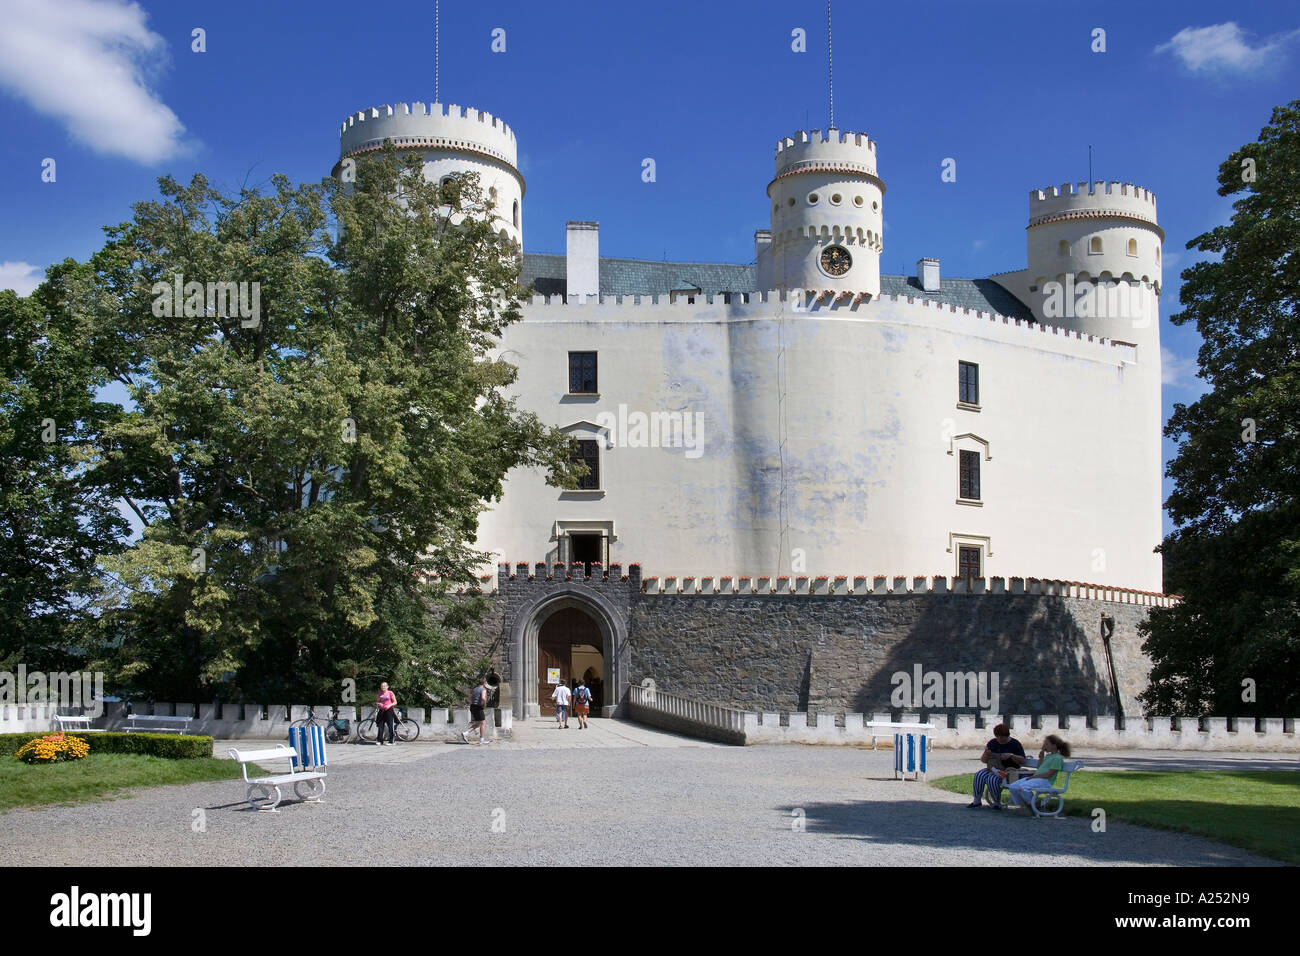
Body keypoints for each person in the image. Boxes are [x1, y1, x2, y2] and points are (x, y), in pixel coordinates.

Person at [968, 723, 1026, 809]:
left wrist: (1011, 755)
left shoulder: (1015, 744)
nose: (1000, 739)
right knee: (979, 775)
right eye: (998, 736)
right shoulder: (992, 743)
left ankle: (996, 802)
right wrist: (986, 754)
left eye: (1002, 736)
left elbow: (1023, 761)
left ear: (1007, 735)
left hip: (1009, 771)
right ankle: (977, 800)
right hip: (993, 768)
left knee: (992, 779)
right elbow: (983, 760)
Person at [1008, 735, 1072, 810]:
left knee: (1023, 787)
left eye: (1046, 744)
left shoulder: (1057, 758)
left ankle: (1035, 804)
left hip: (1045, 781)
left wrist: (1033, 777)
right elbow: (1040, 768)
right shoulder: (1048, 756)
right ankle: (1024, 804)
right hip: (1037, 778)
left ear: (1054, 745)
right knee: (1013, 786)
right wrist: (1041, 758)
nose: (1044, 746)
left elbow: (1049, 774)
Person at [462, 677, 491, 744]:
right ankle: (481, 740)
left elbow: (471, 698)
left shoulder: (475, 689)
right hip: (478, 707)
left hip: (472, 707)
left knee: (478, 723)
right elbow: (483, 698)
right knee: (483, 723)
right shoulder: (483, 689)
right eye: (486, 683)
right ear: (484, 683)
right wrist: (484, 705)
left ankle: (465, 733)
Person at [375, 682, 397, 746]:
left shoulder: (390, 693)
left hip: (389, 711)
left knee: (390, 726)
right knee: (380, 726)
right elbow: (377, 702)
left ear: (387, 687)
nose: (383, 687)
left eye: (384, 686)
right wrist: (379, 704)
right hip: (382, 711)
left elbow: (395, 702)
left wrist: (390, 705)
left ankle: (392, 741)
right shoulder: (380, 693)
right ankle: (380, 740)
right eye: (382, 686)